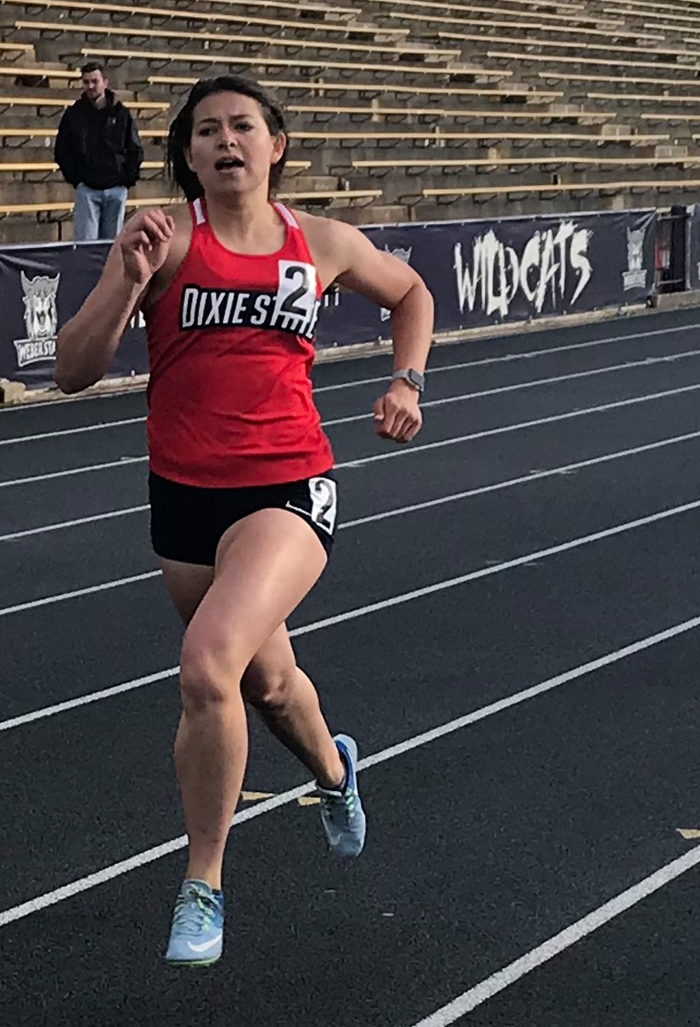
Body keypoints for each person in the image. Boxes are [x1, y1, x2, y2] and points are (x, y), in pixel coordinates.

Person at [51, 75, 434, 966]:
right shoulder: (162, 240)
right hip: (186, 497)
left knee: (205, 667)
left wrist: (405, 381)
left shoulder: (323, 242)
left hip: (290, 488)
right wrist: (127, 282)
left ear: (277, 146)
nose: (228, 141)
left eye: (245, 127)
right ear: (186, 156)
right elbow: (71, 370)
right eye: (208, 131)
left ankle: (203, 884)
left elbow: (411, 294)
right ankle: (336, 771)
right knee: (264, 685)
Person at [55, 62, 144, 242]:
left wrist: (127, 179)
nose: (90, 86)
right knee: (86, 247)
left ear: (105, 82)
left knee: (112, 247)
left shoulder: (121, 113)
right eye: (86, 82)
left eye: (94, 81)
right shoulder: (74, 114)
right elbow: (62, 150)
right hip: (87, 189)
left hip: (116, 189)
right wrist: (76, 180)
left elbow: (134, 147)